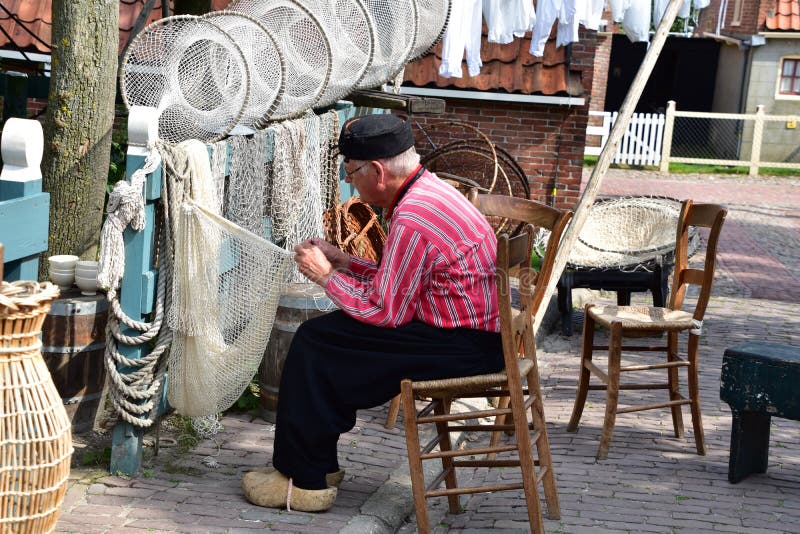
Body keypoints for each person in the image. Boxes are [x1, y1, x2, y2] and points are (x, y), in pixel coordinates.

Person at [242, 113, 504, 512]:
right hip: (464, 336)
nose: (349, 182)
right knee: (325, 339)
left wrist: (325, 276)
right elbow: (396, 281)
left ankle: (305, 482)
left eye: (352, 172)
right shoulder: (426, 191)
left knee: (316, 342)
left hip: (460, 348)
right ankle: (313, 467)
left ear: (378, 171)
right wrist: (344, 262)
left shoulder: (414, 216)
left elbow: (385, 312)